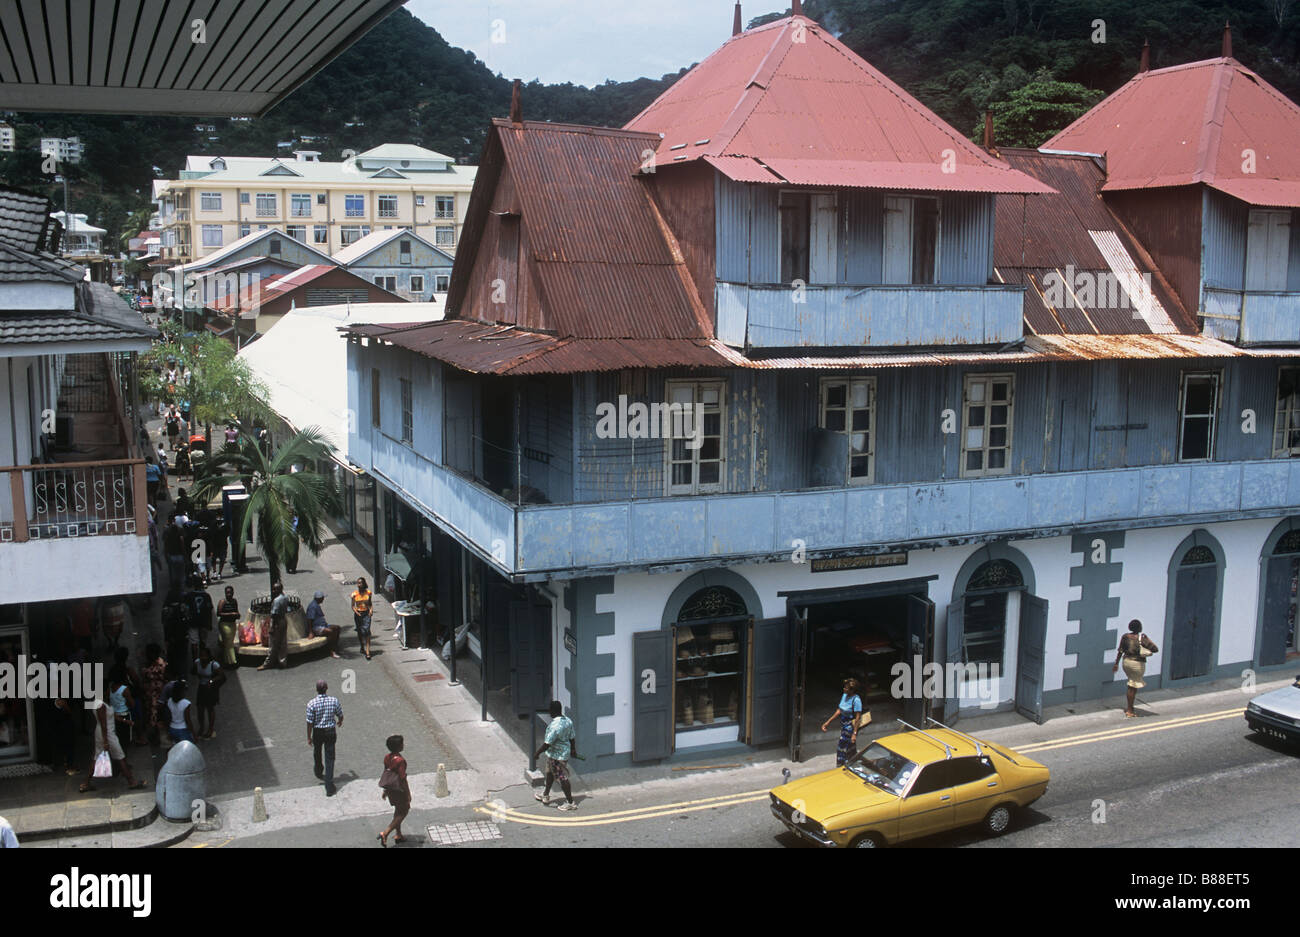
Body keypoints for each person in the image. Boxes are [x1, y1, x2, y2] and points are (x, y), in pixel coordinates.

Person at [80, 695, 146, 792]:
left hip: (104, 733)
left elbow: (112, 716)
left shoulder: (100, 703)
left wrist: (126, 721)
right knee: (120, 756)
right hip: (107, 734)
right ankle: (131, 781)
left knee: (96, 758)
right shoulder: (101, 705)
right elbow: (103, 724)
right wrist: (106, 741)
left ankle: (85, 783)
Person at [533, 700, 578, 811]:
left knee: (562, 778)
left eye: (550, 710)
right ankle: (546, 794)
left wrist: (537, 753)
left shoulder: (555, 726)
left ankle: (570, 802)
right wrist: (573, 749)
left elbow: (547, 744)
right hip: (560, 754)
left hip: (557, 757)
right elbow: (572, 737)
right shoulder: (568, 720)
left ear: (552, 711)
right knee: (549, 773)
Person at [1113, 619, 1159, 717]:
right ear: (1139, 628)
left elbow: (1120, 651)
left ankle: (1131, 708)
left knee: (1131, 683)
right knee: (1132, 687)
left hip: (1126, 662)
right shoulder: (1141, 638)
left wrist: (1116, 664)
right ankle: (1130, 710)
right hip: (1137, 664)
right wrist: (1147, 639)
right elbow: (1155, 649)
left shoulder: (1125, 637)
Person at [306, 679, 343, 797]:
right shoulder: (334, 700)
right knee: (330, 758)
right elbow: (340, 714)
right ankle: (329, 785)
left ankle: (318, 769)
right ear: (326, 688)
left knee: (317, 752)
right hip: (330, 732)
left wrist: (309, 736)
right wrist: (340, 721)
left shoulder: (311, 703)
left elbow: (309, 722)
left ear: (316, 690)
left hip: (318, 732)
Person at [821, 677, 867, 766]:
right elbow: (839, 710)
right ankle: (854, 764)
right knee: (850, 749)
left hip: (850, 728)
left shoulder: (856, 700)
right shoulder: (844, 695)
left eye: (846, 688)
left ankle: (840, 766)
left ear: (852, 690)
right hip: (843, 725)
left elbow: (858, 718)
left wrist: (854, 733)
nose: (844, 689)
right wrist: (828, 722)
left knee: (841, 748)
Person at [377, 734, 410, 846]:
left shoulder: (387, 757)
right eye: (402, 743)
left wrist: (385, 790)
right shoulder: (400, 761)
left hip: (390, 789)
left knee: (397, 810)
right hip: (399, 790)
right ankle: (386, 832)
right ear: (399, 746)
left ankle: (398, 834)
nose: (403, 745)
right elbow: (402, 779)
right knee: (404, 810)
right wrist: (408, 794)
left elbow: (386, 773)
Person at [194, 646, 224, 739]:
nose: (203, 658)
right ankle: (202, 727)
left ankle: (210, 728)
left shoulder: (214, 665)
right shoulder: (197, 663)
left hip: (210, 688)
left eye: (204, 656)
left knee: (210, 708)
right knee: (200, 708)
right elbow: (195, 672)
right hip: (202, 687)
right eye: (201, 656)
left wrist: (211, 681)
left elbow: (221, 676)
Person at [259, 581, 290, 671]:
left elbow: (274, 615)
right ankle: (282, 662)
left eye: (275, 589)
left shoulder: (276, 600)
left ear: (279, 589)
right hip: (283, 620)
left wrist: (272, 627)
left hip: (277, 622)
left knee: (273, 644)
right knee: (283, 642)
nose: (273, 591)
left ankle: (268, 663)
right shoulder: (285, 597)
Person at [141, 643, 168, 745]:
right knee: (152, 714)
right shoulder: (150, 664)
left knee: (155, 715)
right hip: (149, 694)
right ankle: (156, 733)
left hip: (158, 695)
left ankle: (157, 735)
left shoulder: (161, 665)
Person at [304, 590, 342, 659]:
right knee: (331, 632)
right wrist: (311, 632)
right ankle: (332, 651)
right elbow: (309, 620)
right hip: (316, 627)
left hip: (323, 625)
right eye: (322, 598)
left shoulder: (316, 605)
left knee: (337, 628)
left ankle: (335, 647)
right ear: (319, 598)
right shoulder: (313, 606)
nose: (323, 599)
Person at [216, 586, 240, 667]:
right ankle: (233, 661)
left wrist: (237, 615)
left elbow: (236, 611)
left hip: (232, 624)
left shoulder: (234, 601)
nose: (229, 594)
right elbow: (218, 613)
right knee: (229, 643)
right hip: (224, 624)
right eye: (227, 593)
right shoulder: (222, 601)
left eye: (230, 592)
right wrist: (231, 614)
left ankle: (226, 660)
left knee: (228, 642)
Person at [165, 680, 196, 744]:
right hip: (182, 729)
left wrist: (168, 730)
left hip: (172, 728)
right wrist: (193, 734)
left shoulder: (169, 701)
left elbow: (168, 717)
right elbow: (188, 720)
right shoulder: (186, 703)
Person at [351, 578, 373, 661]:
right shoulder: (354, 594)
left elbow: (370, 604)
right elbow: (353, 606)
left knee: (367, 631)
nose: (359, 585)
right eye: (358, 583)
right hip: (358, 614)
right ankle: (362, 646)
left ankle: (368, 652)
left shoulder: (368, 593)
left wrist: (371, 610)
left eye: (360, 583)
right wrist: (357, 612)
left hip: (366, 614)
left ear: (364, 584)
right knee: (360, 631)